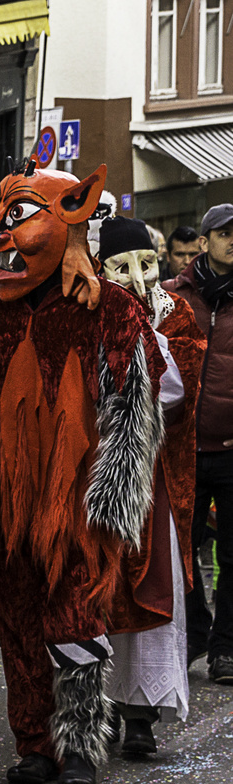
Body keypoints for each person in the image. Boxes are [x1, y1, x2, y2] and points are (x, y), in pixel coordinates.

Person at [0, 163, 170, 784]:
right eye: (1, 217)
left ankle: (78, 744)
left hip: (75, 498)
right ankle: (32, 743)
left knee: (76, 616)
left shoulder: (112, 308)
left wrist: (114, 496)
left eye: (18, 217)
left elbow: (135, 408)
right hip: (4, 496)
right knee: (17, 617)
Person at [98, 216, 202, 752]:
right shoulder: (87, 310)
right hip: (96, 472)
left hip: (153, 473)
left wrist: (144, 339)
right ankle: (105, 703)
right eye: (122, 266)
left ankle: (141, 713)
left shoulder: (175, 312)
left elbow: (177, 390)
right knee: (101, 586)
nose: (137, 277)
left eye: (146, 263)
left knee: (149, 581)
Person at [172, 205, 233, 682]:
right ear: (207, 240)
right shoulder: (178, 295)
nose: (232, 242)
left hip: (231, 449)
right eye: (225, 234)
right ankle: (196, 630)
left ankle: (225, 648)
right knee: (180, 549)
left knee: (232, 554)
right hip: (183, 448)